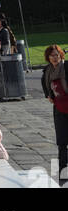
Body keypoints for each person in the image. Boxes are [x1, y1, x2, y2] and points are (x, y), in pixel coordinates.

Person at [41, 44, 68, 187]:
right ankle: (63, 173)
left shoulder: (67, 66)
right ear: (48, 57)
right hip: (59, 108)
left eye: (56, 55)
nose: (54, 57)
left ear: (60, 55)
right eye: (52, 55)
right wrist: (48, 95)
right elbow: (44, 83)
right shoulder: (47, 70)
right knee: (62, 142)